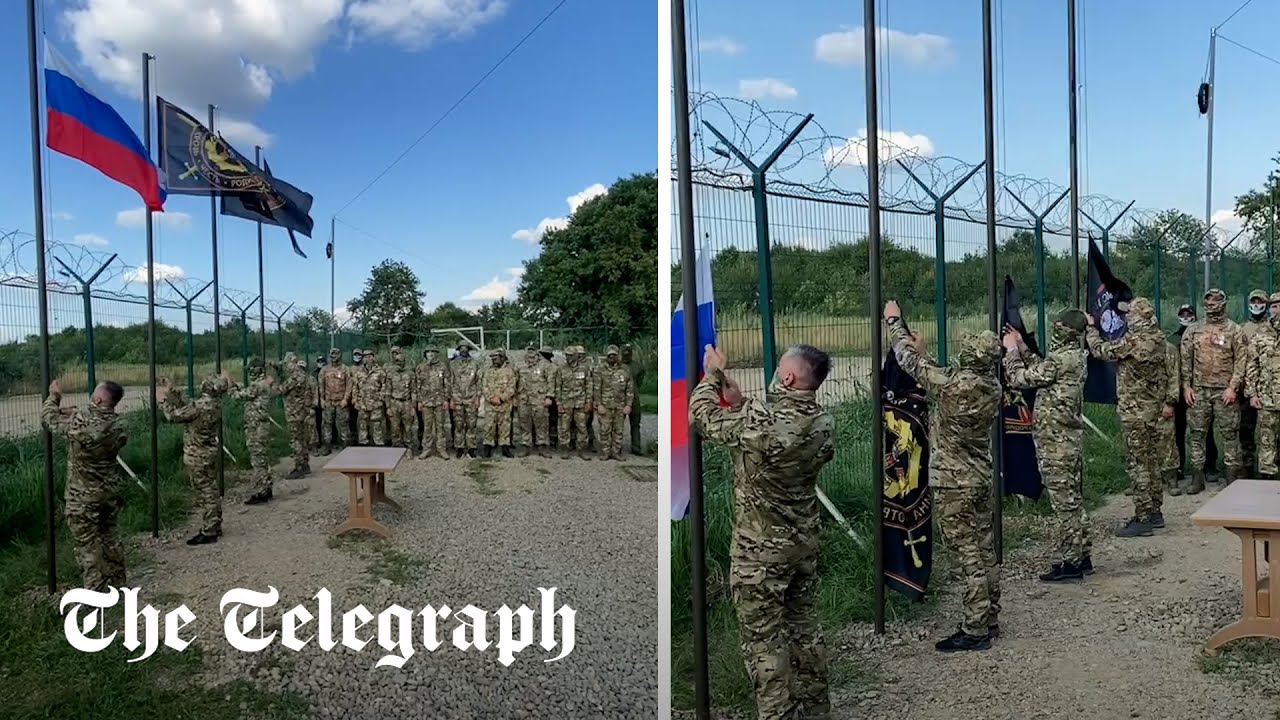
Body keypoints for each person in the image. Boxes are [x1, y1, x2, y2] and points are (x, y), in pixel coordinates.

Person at [690, 342, 835, 720]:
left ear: (787, 377)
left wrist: (713, 374)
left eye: (779, 369)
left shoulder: (762, 425)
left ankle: (778, 714)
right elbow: (772, 427)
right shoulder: (822, 422)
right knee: (805, 630)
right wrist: (741, 403)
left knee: (764, 642)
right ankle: (817, 709)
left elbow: (700, 417)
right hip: (802, 546)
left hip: (760, 556)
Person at [885, 301, 1001, 651]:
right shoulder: (991, 385)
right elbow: (937, 374)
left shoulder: (951, 384)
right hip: (980, 476)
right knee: (984, 549)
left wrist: (894, 322)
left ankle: (975, 627)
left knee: (965, 553)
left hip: (954, 483)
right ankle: (990, 616)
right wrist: (926, 355)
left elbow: (908, 361)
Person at [1002, 309, 1092, 581]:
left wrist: (1010, 352)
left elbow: (1019, 379)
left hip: (1056, 444)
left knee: (1064, 505)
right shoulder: (1073, 356)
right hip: (1067, 441)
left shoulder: (1062, 359)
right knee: (1073, 501)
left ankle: (1071, 564)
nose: (1054, 326)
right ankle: (1082, 554)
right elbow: (1043, 369)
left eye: (1059, 324)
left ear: (1066, 331)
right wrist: (1023, 348)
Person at [1086, 297, 1174, 537]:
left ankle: (1142, 517)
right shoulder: (1159, 339)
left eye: (1129, 314)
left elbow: (1101, 351)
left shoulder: (1135, 341)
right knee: (1152, 461)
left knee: (1138, 464)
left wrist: (1092, 330)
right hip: (1152, 410)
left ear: (1138, 318)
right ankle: (1155, 511)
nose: (1125, 317)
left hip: (1135, 412)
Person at [41, 378, 128, 590]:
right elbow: (92, 421)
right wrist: (73, 413)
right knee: (110, 535)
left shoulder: (82, 423)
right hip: (108, 491)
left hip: (83, 496)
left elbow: (49, 419)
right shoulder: (119, 425)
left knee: (87, 544)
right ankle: (118, 582)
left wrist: (54, 397)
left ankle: (96, 592)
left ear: (97, 399)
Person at [1181, 288, 1245, 492]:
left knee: (1230, 435)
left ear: (1223, 303)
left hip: (1225, 393)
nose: (1212, 304)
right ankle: (1197, 477)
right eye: (1208, 301)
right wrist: (1186, 386)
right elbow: (1185, 360)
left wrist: (1233, 387)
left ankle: (1231, 478)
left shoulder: (1234, 330)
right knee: (1197, 435)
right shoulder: (1193, 330)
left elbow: (1241, 361)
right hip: (1199, 391)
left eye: (1216, 300)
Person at [160, 372, 232, 545]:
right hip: (208, 451)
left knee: (205, 491)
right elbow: (188, 405)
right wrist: (173, 391)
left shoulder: (200, 406)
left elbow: (174, 416)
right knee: (211, 489)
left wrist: (163, 402)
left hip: (197, 454)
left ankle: (210, 530)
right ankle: (214, 523)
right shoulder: (214, 404)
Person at [1170, 305, 1218, 490]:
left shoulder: (1201, 335)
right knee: (1178, 431)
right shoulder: (1172, 339)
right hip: (1179, 391)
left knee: (1204, 430)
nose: (1186, 317)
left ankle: (1210, 467)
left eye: (1189, 314)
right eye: (1182, 314)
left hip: (1199, 390)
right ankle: (1180, 467)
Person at [1244, 292, 1280, 479]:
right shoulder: (1261, 334)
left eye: (1278, 305)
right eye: (1273, 306)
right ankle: (1267, 477)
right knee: (1267, 440)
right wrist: (1252, 394)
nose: (1276, 309)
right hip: (1267, 399)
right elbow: (1252, 365)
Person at [230, 358, 276, 505]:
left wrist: (231, 386)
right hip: (260, 425)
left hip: (257, 427)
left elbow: (238, 396)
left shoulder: (258, 385)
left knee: (258, 459)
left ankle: (261, 491)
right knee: (262, 458)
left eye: (251, 369)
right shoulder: (263, 383)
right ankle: (266, 488)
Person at [1238, 288, 1270, 476]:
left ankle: (1270, 469)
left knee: (1270, 432)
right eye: (1254, 301)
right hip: (1246, 390)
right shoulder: (1241, 329)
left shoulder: (1273, 328)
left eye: (1260, 302)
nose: (1256, 305)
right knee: (1246, 430)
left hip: (1269, 388)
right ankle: (1248, 467)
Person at [277, 352, 314, 480]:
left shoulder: (295, 377)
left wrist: (274, 383)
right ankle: (305, 464)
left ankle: (299, 467)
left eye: (287, 364)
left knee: (296, 440)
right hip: (301, 411)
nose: (286, 367)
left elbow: (282, 389)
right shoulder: (301, 375)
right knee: (302, 439)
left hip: (294, 413)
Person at [595, 344, 634, 461]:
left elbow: (629, 389)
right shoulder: (600, 369)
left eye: (614, 355)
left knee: (619, 430)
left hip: (620, 406)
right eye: (610, 355)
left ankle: (616, 452)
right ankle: (605, 452)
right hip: (605, 406)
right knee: (604, 430)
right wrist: (599, 405)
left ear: (618, 356)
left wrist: (628, 405)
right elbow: (596, 389)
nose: (612, 357)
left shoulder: (625, 370)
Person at [516, 345, 555, 457]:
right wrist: (515, 397)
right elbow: (515, 381)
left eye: (533, 350)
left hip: (540, 399)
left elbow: (550, 382)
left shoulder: (545, 365)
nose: (531, 353)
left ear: (537, 352)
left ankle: (542, 446)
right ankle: (525, 446)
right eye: (529, 350)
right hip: (524, 399)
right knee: (524, 423)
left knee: (541, 423)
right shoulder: (520, 365)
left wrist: (549, 397)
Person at [415, 346, 453, 459]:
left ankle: (441, 449)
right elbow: (417, 385)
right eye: (428, 352)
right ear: (425, 354)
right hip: (426, 402)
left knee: (440, 426)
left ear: (437, 354)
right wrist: (419, 401)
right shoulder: (421, 367)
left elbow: (447, 383)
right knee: (427, 427)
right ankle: (426, 449)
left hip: (439, 401)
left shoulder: (442, 366)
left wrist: (446, 399)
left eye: (433, 352)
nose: (430, 354)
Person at [557, 345, 593, 459]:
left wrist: (588, 402)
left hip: (580, 403)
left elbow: (588, 385)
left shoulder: (584, 369)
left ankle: (581, 449)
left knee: (582, 427)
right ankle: (564, 449)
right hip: (566, 403)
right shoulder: (561, 369)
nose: (568, 358)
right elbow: (557, 387)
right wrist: (559, 404)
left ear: (577, 356)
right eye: (567, 355)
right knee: (564, 427)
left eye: (571, 355)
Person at [481, 348, 518, 458]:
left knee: (505, 427)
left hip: (505, 404)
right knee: (489, 426)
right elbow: (484, 386)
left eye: (496, 358)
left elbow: (512, 387)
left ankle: (505, 448)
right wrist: (491, 397)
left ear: (502, 358)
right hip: (491, 404)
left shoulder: (510, 371)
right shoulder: (488, 371)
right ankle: (487, 448)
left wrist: (501, 398)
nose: (494, 361)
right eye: (492, 359)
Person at [384, 346, 417, 455]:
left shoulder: (410, 374)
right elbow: (387, 391)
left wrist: (413, 407)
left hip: (406, 403)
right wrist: (388, 407)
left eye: (402, 361)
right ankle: (396, 450)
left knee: (408, 427)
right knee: (395, 427)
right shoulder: (390, 374)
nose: (400, 363)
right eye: (397, 361)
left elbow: (413, 391)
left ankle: (409, 449)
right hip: (394, 402)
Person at [452, 342, 482, 458]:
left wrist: (478, 397)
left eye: (465, 348)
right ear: (458, 349)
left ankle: (471, 448)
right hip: (457, 398)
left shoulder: (475, 364)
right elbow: (450, 381)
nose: (463, 350)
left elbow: (478, 381)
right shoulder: (453, 364)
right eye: (461, 348)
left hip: (471, 398)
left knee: (471, 425)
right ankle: (459, 447)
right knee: (458, 425)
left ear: (468, 350)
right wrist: (451, 399)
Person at [355, 350, 387, 446]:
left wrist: (380, 399)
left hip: (375, 403)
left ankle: (378, 443)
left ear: (373, 357)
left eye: (369, 356)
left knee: (377, 424)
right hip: (362, 403)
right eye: (365, 357)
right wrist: (356, 400)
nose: (367, 359)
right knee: (362, 424)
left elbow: (384, 386)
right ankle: (363, 443)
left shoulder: (380, 371)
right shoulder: (359, 371)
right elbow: (355, 387)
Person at [621, 343, 644, 454]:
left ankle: (636, 447)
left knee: (635, 424)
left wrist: (635, 391)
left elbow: (640, 381)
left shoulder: (638, 366)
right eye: (624, 351)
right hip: (620, 399)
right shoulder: (618, 366)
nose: (626, 353)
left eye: (628, 351)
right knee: (618, 425)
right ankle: (617, 446)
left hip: (634, 399)